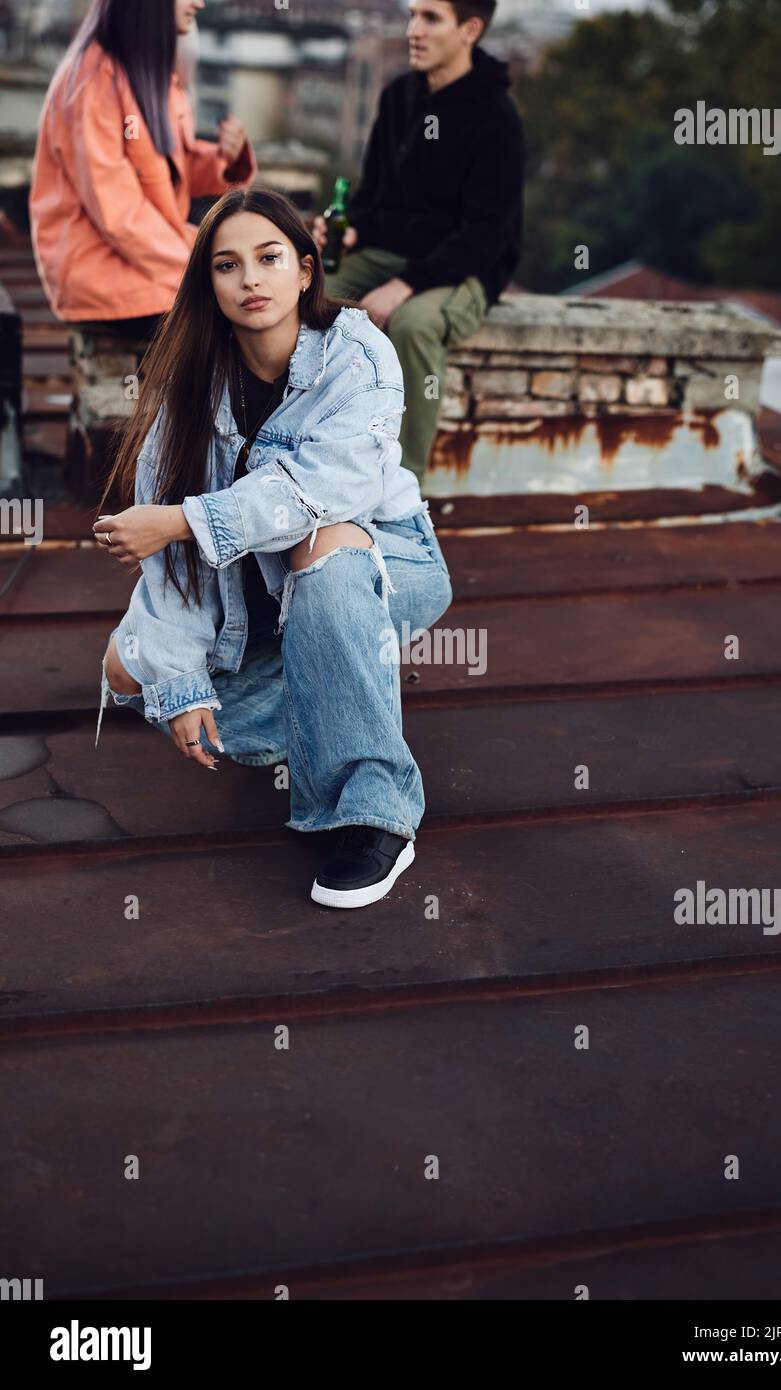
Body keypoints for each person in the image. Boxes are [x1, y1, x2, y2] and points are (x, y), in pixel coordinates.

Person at [92, 187, 453, 910]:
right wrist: (183, 684)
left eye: (269, 258)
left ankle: (371, 812)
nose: (250, 279)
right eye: (227, 265)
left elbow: (331, 487)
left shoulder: (358, 352)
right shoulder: (190, 385)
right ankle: (332, 691)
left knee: (323, 547)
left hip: (384, 557)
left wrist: (183, 519)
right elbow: (174, 572)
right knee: (128, 674)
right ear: (210, 284)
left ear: (307, 270)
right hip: (252, 597)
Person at [313, 0, 525, 488]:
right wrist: (349, 230)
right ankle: (315, 458)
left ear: (470, 29)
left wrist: (405, 285)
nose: (414, 30)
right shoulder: (399, 96)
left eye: (431, 18)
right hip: (389, 253)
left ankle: (404, 490)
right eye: (413, 15)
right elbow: (371, 199)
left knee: (413, 324)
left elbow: (486, 234)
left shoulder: (496, 116)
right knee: (307, 300)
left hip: (464, 267)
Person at [29, 0, 256, 350]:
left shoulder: (152, 73)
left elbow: (167, 170)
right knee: (245, 315)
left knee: (262, 299)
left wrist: (228, 159)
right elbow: (118, 213)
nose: (200, 3)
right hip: (107, 275)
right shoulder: (93, 81)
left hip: (147, 263)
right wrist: (200, 263)